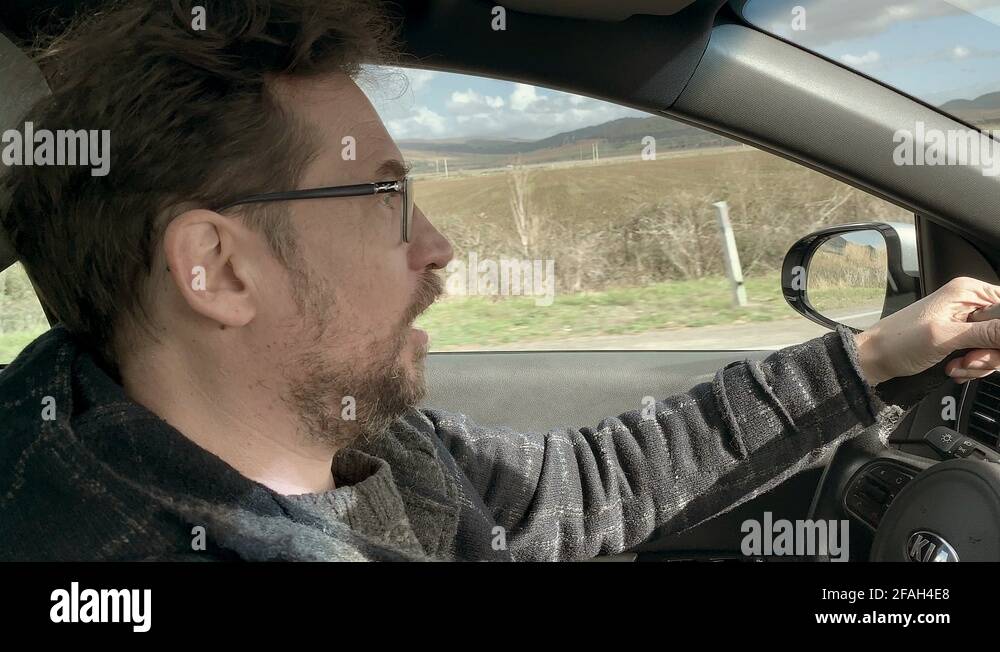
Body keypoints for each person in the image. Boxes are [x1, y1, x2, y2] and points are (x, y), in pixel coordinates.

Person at [1, 0, 998, 561]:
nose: (437, 248)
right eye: (384, 199)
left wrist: (872, 357)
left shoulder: (355, 440)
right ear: (218, 269)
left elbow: (578, 490)